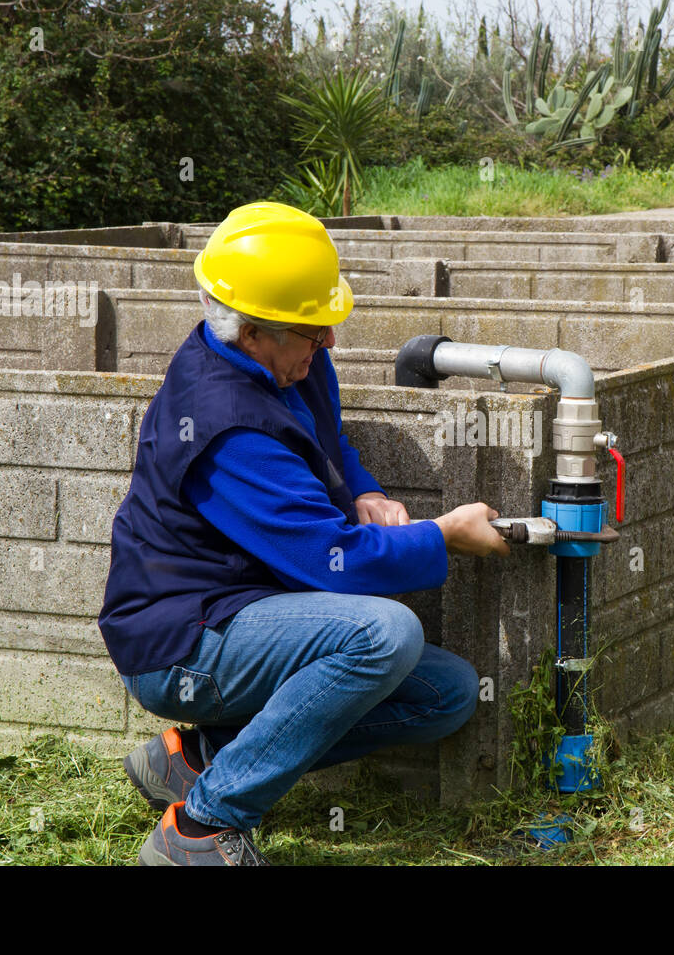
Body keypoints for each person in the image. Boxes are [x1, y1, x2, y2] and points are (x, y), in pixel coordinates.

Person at [97, 202, 509, 866]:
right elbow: (333, 563)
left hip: (245, 611)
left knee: (448, 694)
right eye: (313, 332)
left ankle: (198, 758)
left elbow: (328, 443)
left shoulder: (291, 359)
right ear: (253, 330)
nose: (331, 343)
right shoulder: (226, 427)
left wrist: (368, 491)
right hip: (179, 640)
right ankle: (201, 829)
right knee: (386, 635)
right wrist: (444, 537)